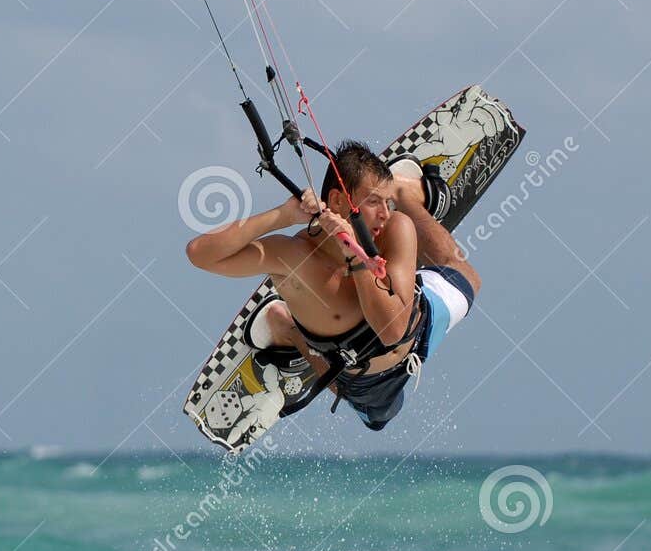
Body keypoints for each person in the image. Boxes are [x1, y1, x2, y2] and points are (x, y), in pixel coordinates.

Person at [184, 141, 478, 431]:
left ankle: (406, 194)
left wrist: (358, 254)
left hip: (421, 326)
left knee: (468, 277)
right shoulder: (294, 258)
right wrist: (283, 215)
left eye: (388, 203)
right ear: (337, 200)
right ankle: (287, 328)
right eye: (374, 201)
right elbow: (201, 254)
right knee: (374, 417)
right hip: (366, 380)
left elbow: (395, 329)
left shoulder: (394, 228)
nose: (385, 214)